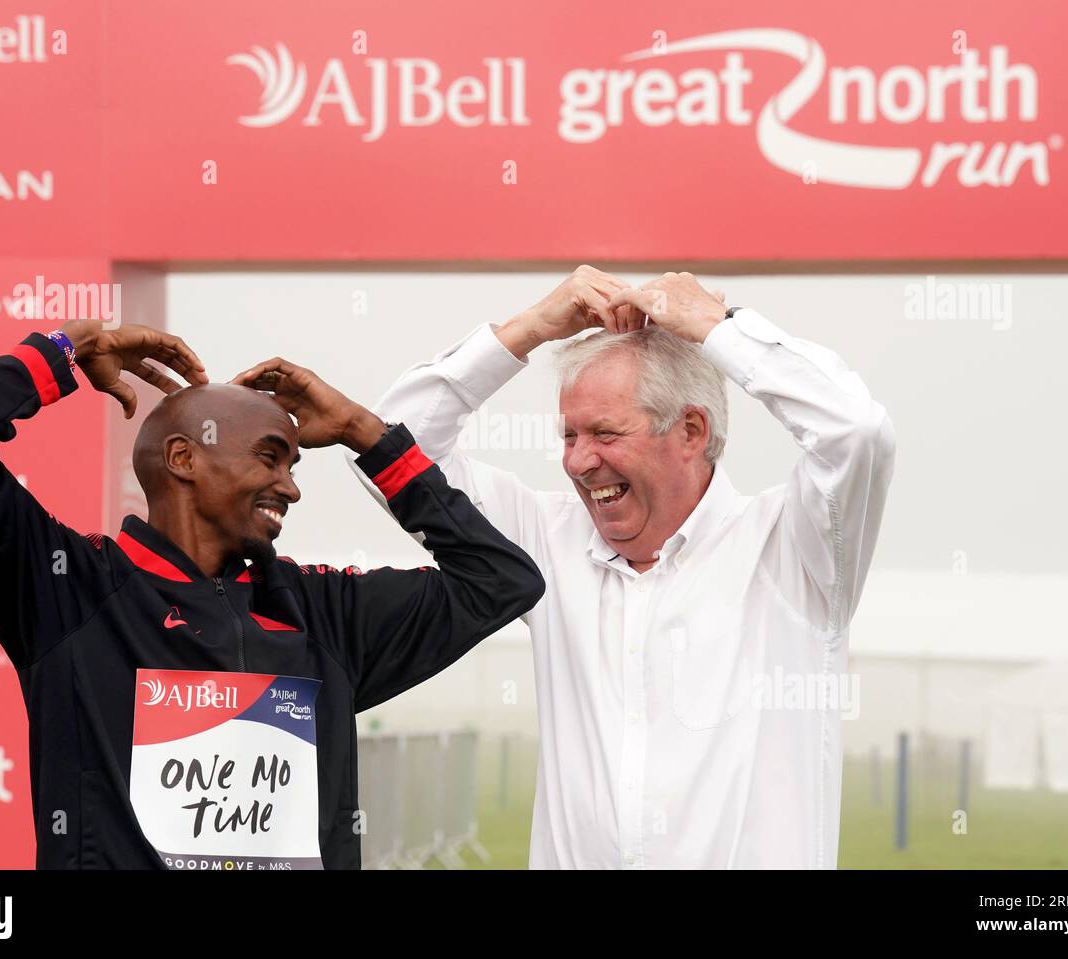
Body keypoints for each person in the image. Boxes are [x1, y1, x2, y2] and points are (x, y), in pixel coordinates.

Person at [0, 318, 544, 869]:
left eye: (293, 465)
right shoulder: (67, 586)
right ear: (183, 459)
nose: (289, 487)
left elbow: (499, 581)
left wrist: (360, 430)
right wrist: (60, 353)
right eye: (269, 457)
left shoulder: (321, 612)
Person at [352, 267, 896, 868]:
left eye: (605, 433)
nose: (580, 461)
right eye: (568, 435)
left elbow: (855, 430)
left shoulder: (795, 549)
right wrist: (529, 329)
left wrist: (720, 330)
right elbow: (388, 451)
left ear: (691, 430)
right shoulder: (543, 541)